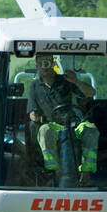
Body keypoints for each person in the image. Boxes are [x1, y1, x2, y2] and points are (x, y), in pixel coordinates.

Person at [27, 53, 99, 186]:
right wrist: (36, 118)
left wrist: (76, 81)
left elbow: (91, 93)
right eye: (42, 63)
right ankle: (55, 172)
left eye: (48, 63)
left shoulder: (67, 81)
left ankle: (86, 172)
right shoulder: (34, 86)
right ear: (37, 66)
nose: (45, 67)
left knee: (90, 129)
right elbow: (32, 112)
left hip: (74, 124)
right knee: (44, 131)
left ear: (53, 64)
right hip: (52, 125)